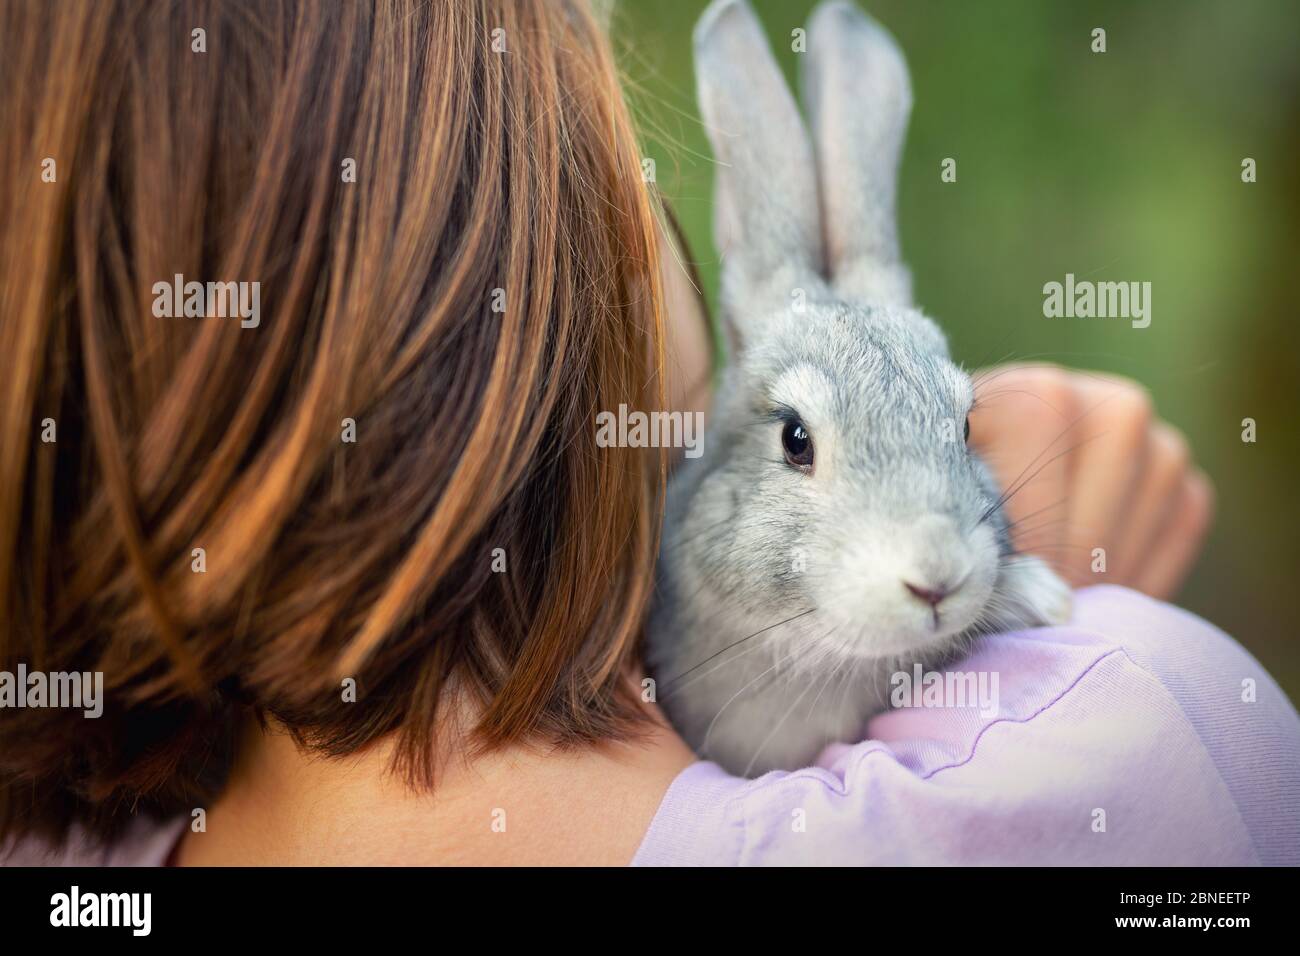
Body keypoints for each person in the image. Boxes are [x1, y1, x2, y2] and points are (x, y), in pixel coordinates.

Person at [1, 0, 1295, 867]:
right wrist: (1012, 649)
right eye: (589, 51)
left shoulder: (77, 860)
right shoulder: (1120, 731)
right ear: (511, 211)